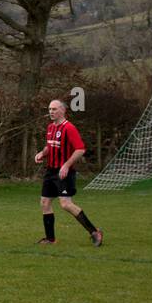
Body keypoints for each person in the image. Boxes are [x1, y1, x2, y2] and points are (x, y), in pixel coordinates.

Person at [35, 99, 102, 246]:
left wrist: (66, 165)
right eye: (50, 109)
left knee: (65, 204)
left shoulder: (69, 128)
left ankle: (95, 232)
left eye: (54, 109)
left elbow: (80, 149)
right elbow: (50, 146)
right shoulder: (51, 128)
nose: (51, 112)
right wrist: (42, 153)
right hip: (51, 171)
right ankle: (50, 239)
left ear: (63, 111)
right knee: (45, 202)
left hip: (64, 172)